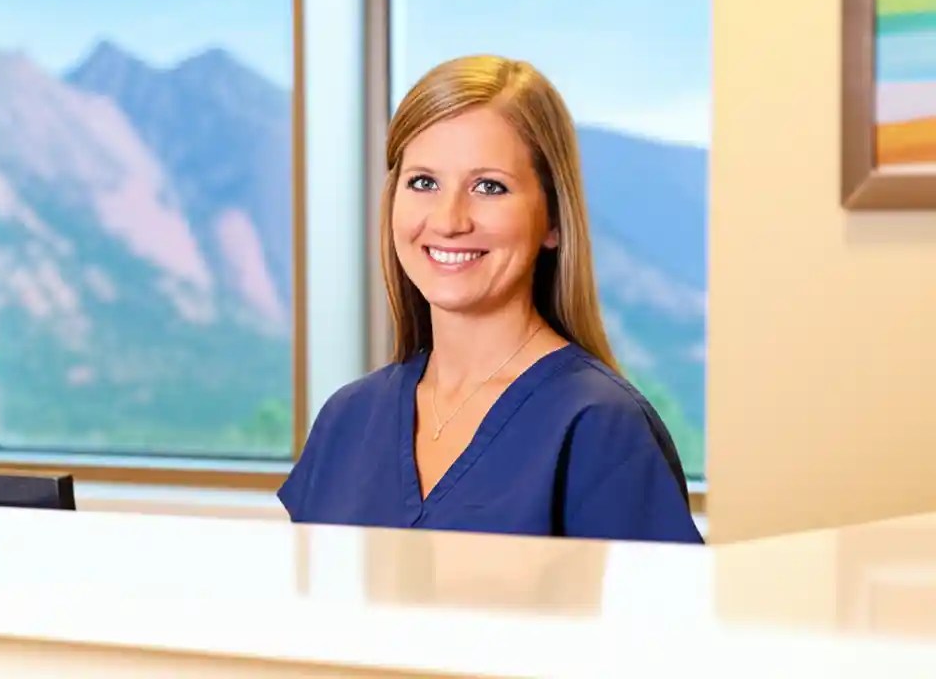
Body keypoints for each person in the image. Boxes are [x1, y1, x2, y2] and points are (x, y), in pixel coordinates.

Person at [278, 56, 702, 544]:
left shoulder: (599, 428)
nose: (449, 219)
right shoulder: (348, 420)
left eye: (488, 187)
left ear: (553, 221)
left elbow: (659, 619)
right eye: (423, 182)